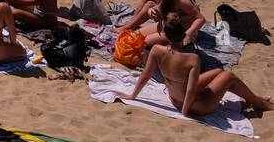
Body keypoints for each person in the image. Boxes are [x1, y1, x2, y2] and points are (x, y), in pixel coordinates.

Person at [114, 14, 272, 119]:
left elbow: (145, 76)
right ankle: (261, 104)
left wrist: (132, 96)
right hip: (194, 105)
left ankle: (254, 98)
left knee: (217, 72)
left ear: (165, 36)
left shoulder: (156, 50)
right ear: (183, 36)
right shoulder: (192, 59)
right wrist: (184, 112)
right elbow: (190, 89)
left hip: (174, 97)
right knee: (228, 76)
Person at [119, 0, 204, 51]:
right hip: (167, 25)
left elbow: (201, 18)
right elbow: (160, 10)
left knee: (140, 44)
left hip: (181, 32)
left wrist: (188, 34)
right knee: (132, 38)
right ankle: (129, 26)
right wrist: (150, 11)